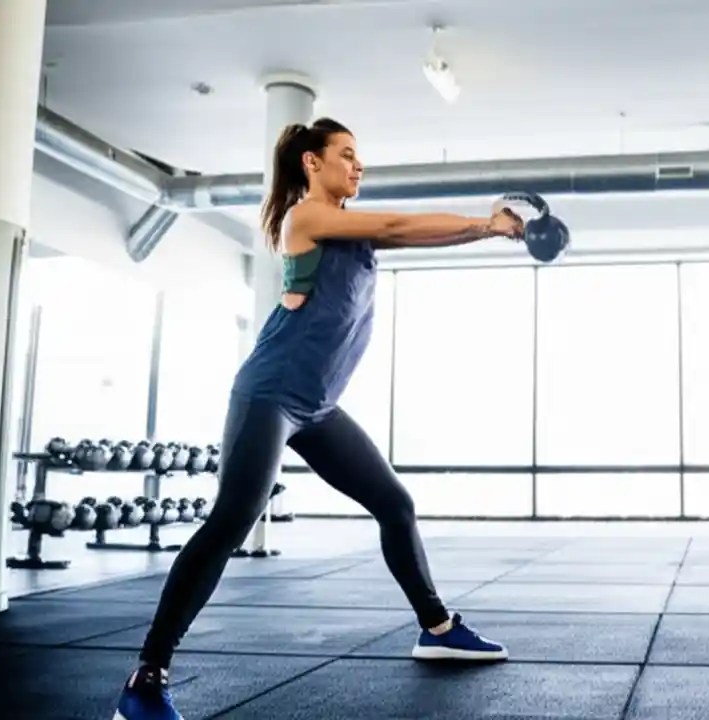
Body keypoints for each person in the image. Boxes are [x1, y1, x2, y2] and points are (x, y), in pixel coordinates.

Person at [114, 118, 524, 720]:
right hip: (271, 395)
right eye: (348, 155)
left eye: (361, 158)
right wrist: (482, 221)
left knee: (395, 504)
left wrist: (483, 233)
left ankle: (437, 628)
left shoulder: (351, 231)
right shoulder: (305, 218)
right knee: (230, 523)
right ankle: (145, 680)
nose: (359, 167)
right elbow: (395, 224)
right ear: (313, 163)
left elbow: (413, 235)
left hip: (318, 407)